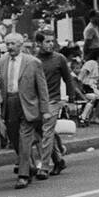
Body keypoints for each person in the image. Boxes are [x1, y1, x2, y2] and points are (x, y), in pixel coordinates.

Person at [0, 32, 50, 187]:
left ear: (20, 45)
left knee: (24, 139)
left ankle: (23, 175)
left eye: (13, 44)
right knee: (14, 138)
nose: (9, 47)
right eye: (7, 44)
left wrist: (45, 109)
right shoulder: (1, 62)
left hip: (28, 105)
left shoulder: (33, 62)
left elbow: (42, 87)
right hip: (10, 103)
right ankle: (28, 165)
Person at [33, 33, 80, 177]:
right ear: (39, 43)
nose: (50, 44)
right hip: (37, 102)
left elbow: (68, 79)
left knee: (47, 133)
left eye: (52, 41)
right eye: (47, 41)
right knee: (44, 133)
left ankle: (44, 167)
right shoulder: (33, 60)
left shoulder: (59, 58)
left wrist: (71, 100)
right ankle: (58, 160)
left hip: (53, 101)